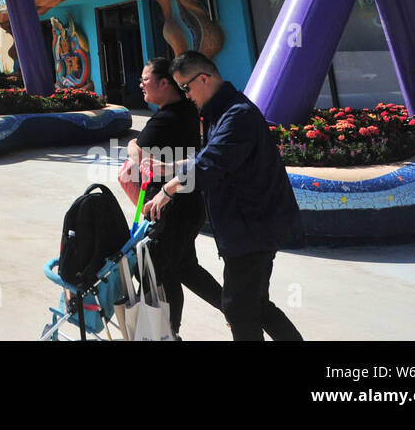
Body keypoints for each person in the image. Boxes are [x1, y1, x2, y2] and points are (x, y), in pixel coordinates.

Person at [144, 51, 304, 341]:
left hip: (253, 227)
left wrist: (167, 191)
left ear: (203, 78)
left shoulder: (236, 115)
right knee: (255, 305)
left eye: (186, 87)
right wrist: (167, 168)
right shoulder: (222, 112)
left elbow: (210, 163)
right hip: (251, 225)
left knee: (238, 309)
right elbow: (208, 157)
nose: (185, 95)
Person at [122, 58, 222, 337]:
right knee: (182, 268)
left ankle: (166, 331)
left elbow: (135, 156)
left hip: (169, 208)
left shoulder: (165, 118)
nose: (140, 85)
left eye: (145, 80)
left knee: (153, 271)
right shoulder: (188, 110)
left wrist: (132, 143)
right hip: (188, 206)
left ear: (164, 83)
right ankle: (233, 310)